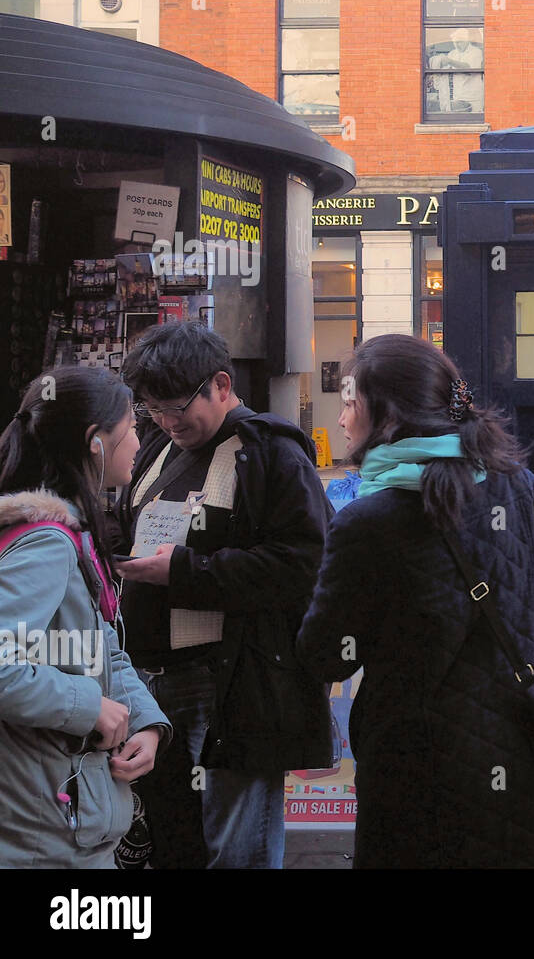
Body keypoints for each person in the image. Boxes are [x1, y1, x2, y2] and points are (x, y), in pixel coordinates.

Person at [297, 335, 534, 868]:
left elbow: (326, 656)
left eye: (352, 402)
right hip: (515, 755)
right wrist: (520, 610)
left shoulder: (366, 523)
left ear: (389, 416)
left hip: (415, 777)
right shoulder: (512, 483)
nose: (344, 418)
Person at [113, 322, 333, 868]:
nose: (166, 421)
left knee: (239, 846)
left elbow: (304, 564)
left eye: (177, 406)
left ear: (220, 384)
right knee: (174, 840)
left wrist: (185, 572)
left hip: (231, 683)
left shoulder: (271, 452)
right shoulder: (157, 450)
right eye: (152, 409)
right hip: (153, 682)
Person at [0, 366, 171, 868]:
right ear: (95, 442)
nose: (140, 440)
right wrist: (89, 706)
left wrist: (146, 722)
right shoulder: (46, 544)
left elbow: (99, 649)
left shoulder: (62, 534)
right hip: (44, 830)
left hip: (59, 817)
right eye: (131, 426)